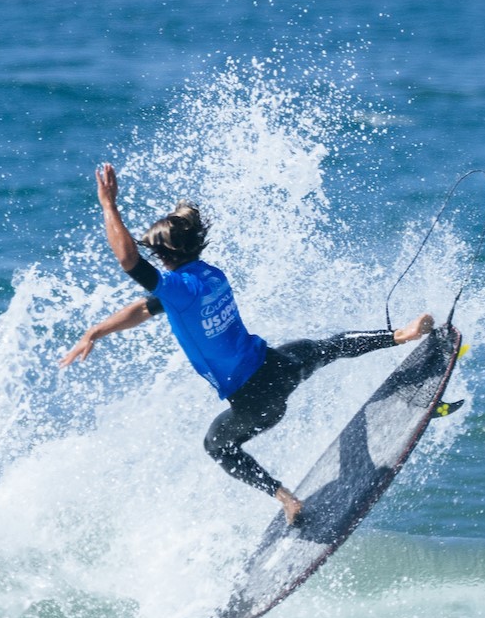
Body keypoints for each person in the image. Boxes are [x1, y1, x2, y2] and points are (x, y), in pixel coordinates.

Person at [58, 163, 434, 525]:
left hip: (256, 402)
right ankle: (402, 334)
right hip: (278, 367)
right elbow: (144, 308)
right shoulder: (208, 276)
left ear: (163, 256)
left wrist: (108, 205)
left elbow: (128, 260)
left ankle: (284, 497)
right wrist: (96, 332)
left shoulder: (178, 290)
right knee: (328, 347)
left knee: (217, 446)